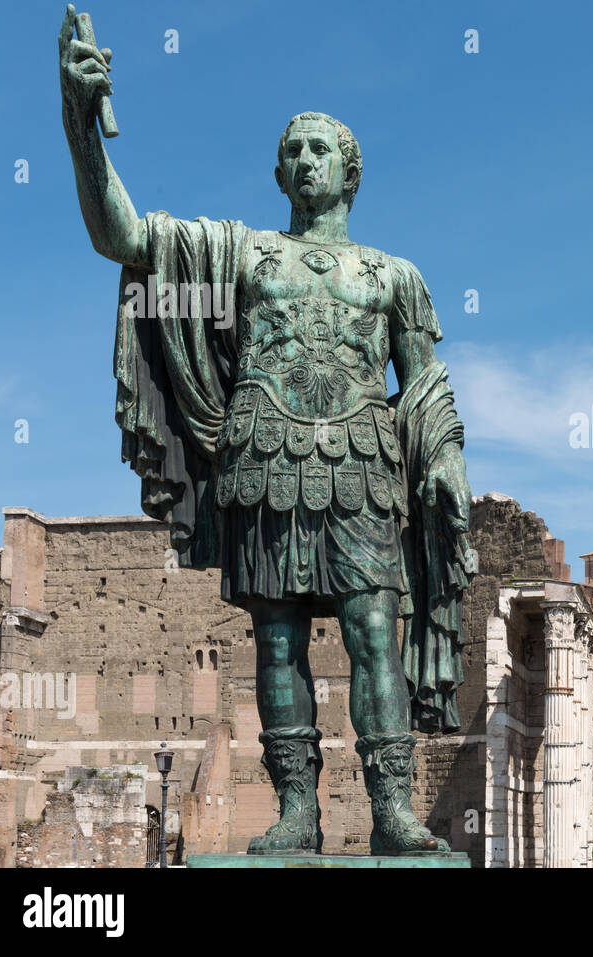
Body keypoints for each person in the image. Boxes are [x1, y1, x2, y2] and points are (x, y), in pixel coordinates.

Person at [58, 6, 475, 855]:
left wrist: (447, 460)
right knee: (276, 636)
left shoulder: (395, 277)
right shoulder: (241, 257)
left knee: (371, 633)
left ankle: (391, 807)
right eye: (293, 149)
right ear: (278, 174)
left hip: (362, 463)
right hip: (266, 460)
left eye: (321, 147)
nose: (305, 159)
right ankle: (296, 808)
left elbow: (425, 382)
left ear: (350, 173)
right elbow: (127, 239)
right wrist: (80, 124)